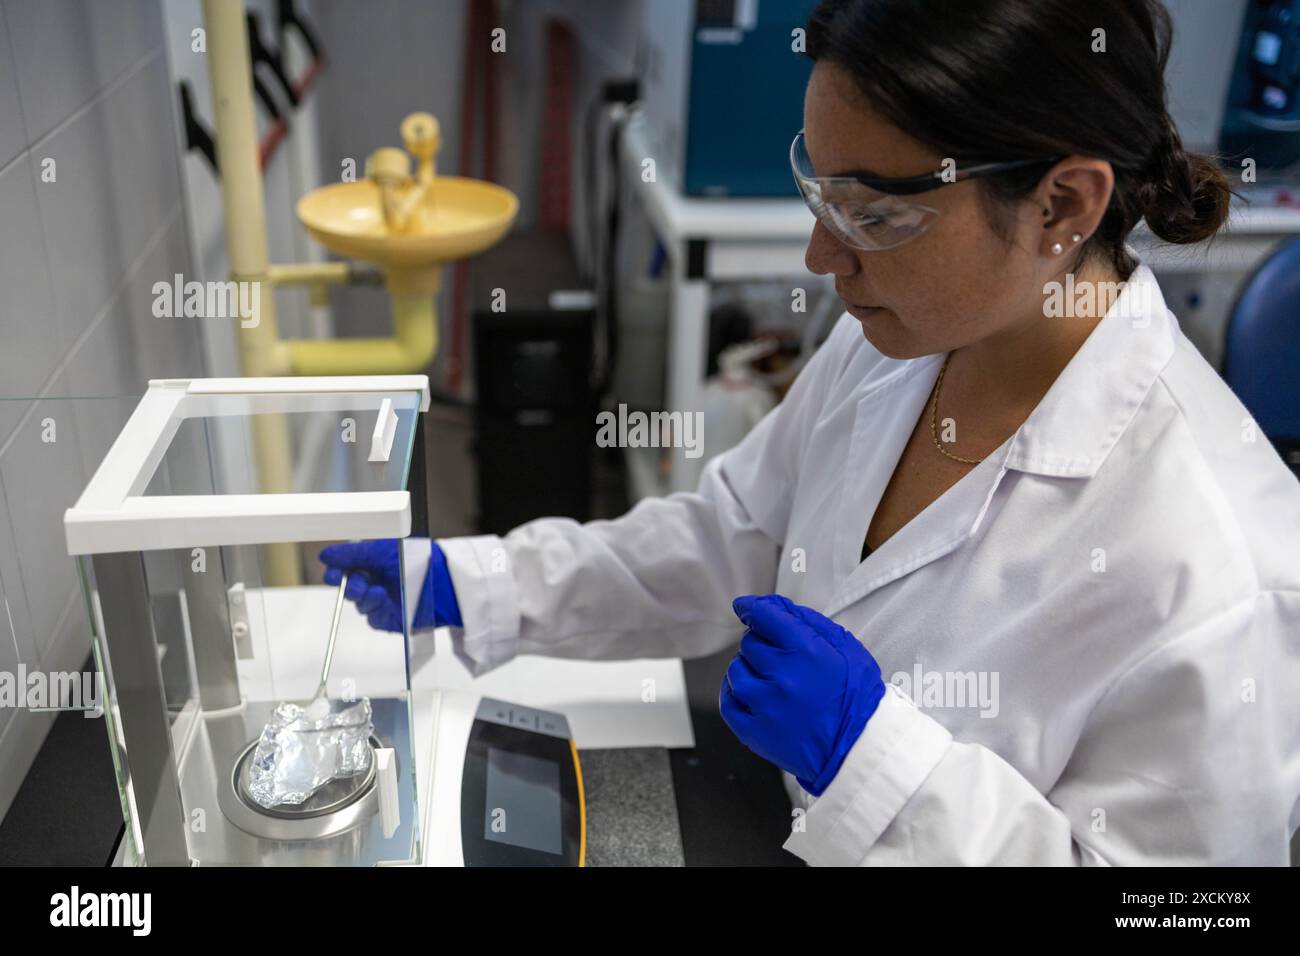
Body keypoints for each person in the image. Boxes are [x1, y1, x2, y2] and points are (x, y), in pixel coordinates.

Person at [322, 0, 1300, 865]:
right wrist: (477, 582)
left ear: (1061, 204)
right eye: (822, 192)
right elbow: (726, 539)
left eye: (874, 213)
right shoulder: (903, 338)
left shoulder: (1220, 569)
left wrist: (875, 758)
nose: (821, 253)